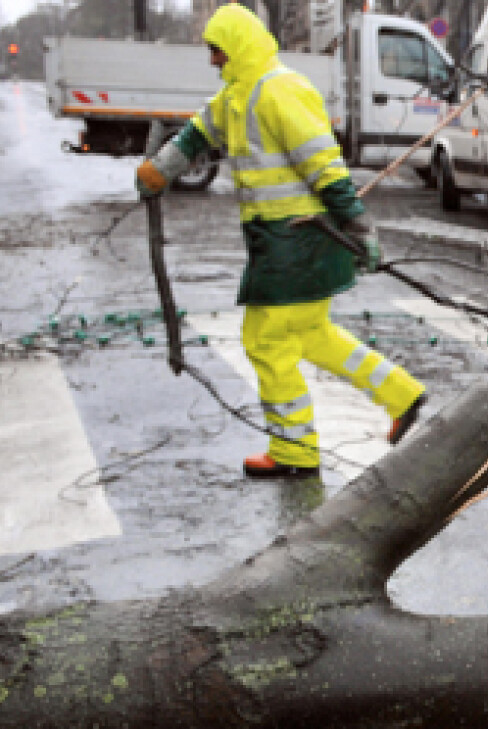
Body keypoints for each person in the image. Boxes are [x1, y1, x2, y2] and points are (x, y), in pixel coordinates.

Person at [135, 4, 426, 479]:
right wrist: (158, 170)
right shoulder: (235, 95)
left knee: (265, 340)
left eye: (217, 51)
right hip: (280, 241)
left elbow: (323, 164)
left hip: (297, 239)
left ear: (239, 46)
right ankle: (401, 393)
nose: (212, 60)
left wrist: (358, 225)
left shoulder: (278, 89)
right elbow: (194, 135)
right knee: (312, 335)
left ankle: (294, 449)